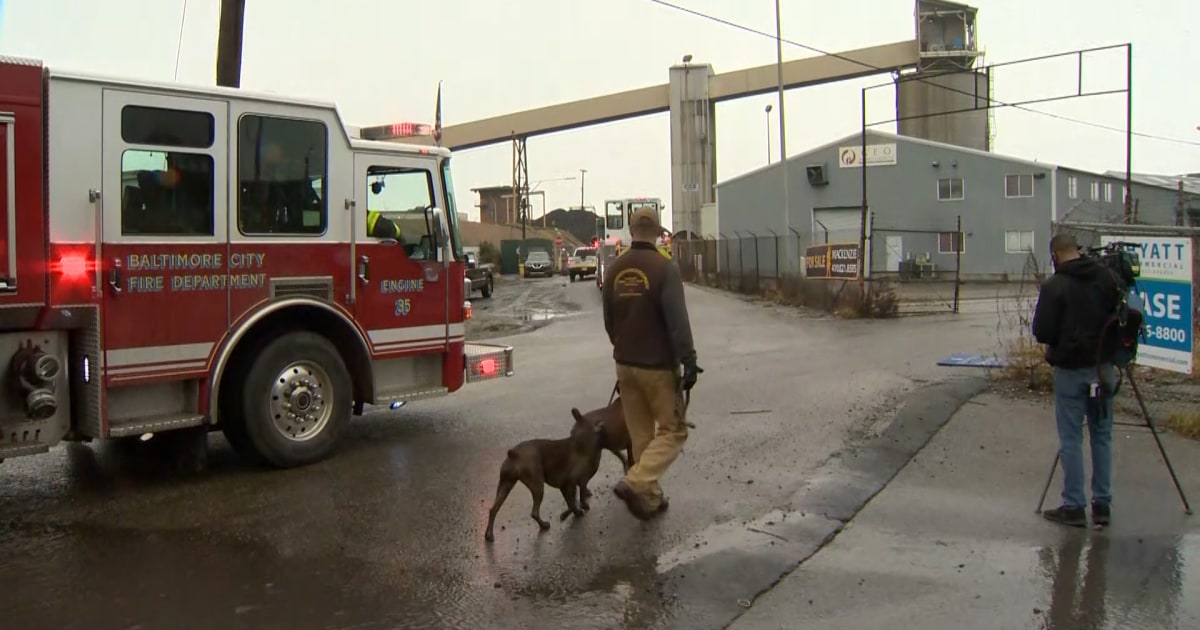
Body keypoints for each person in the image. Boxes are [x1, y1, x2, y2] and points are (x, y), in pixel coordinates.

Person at [601, 207, 702, 520]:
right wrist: (689, 360)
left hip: (625, 364)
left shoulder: (614, 269)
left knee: (642, 436)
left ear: (631, 231)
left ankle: (653, 498)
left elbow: (609, 321)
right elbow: (678, 322)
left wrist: (623, 346)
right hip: (657, 366)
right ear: (659, 232)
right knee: (674, 431)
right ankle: (635, 482)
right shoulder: (664, 268)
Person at [1032, 232, 1122, 528]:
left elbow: (1042, 331)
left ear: (1055, 255)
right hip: (1102, 368)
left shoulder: (1055, 286)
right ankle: (1103, 505)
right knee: (1102, 435)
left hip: (1070, 370)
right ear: (1078, 251)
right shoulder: (1107, 278)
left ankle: (1074, 506)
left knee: (1071, 438)